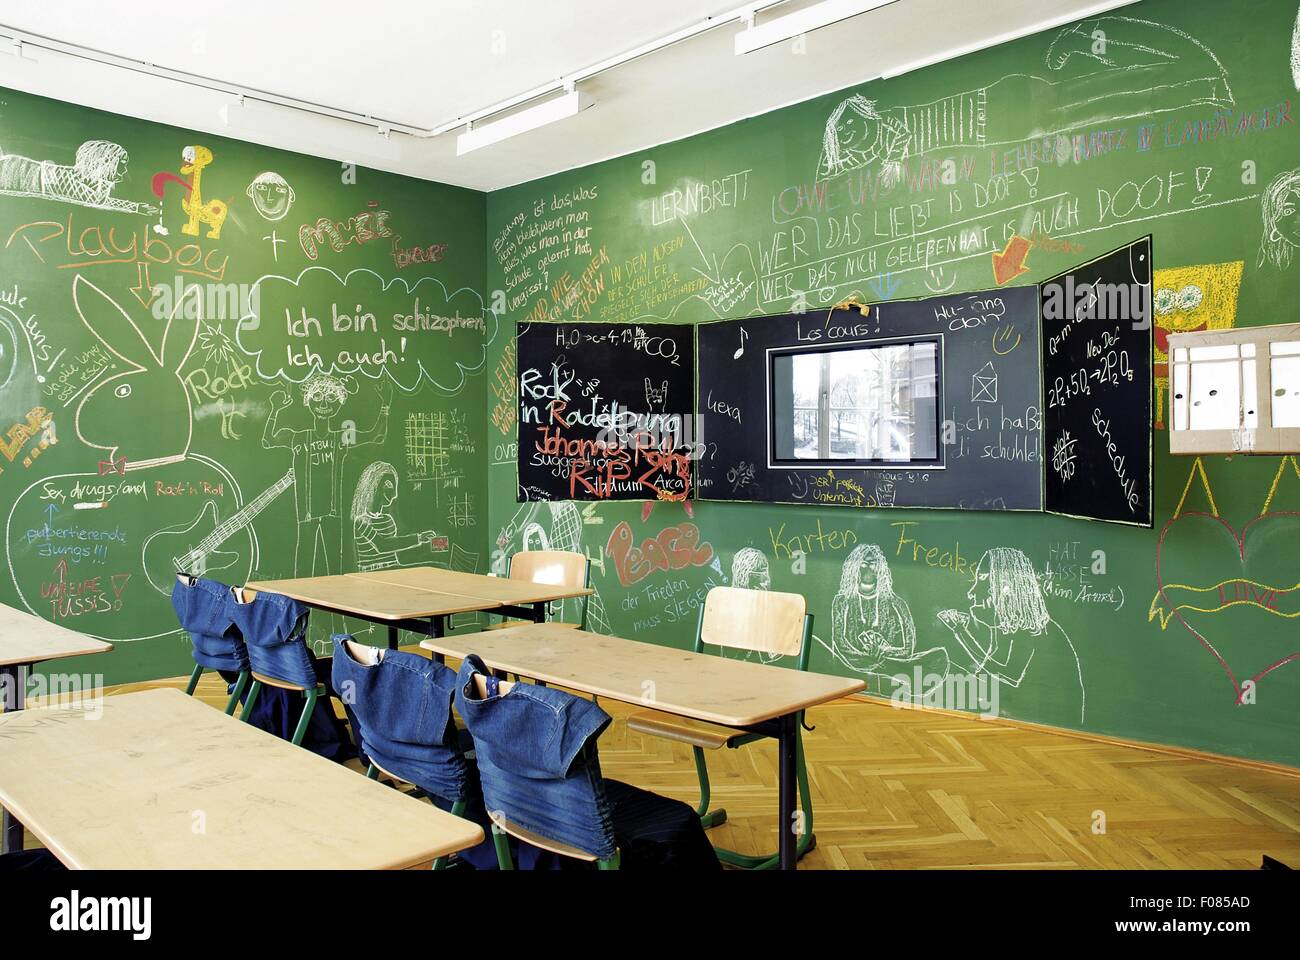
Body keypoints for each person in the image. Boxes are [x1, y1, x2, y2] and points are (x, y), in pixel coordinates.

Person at [817, 16, 1232, 183]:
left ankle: (1195, 85)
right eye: (844, 138)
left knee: (1099, 97)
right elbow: (845, 162)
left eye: (849, 126)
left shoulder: (889, 122)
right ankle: (1198, 89)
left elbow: (898, 136)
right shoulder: (882, 143)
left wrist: (891, 162)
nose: (851, 137)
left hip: (1002, 107)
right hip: (1002, 123)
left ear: (862, 111)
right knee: (1102, 102)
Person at [938, 547, 1084, 726]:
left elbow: (1009, 674)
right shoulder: (1006, 625)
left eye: (982, 578)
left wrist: (960, 631)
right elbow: (987, 669)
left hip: (1051, 722)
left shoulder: (1032, 628)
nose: (972, 592)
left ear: (1006, 586)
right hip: (1014, 714)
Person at [351, 461, 438, 571]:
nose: (395, 494)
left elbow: (395, 546)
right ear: (373, 487)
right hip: (373, 573)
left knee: (439, 566)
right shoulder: (361, 521)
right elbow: (382, 546)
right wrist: (419, 538)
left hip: (393, 569)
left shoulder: (388, 519)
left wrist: (437, 544)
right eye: (388, 485)